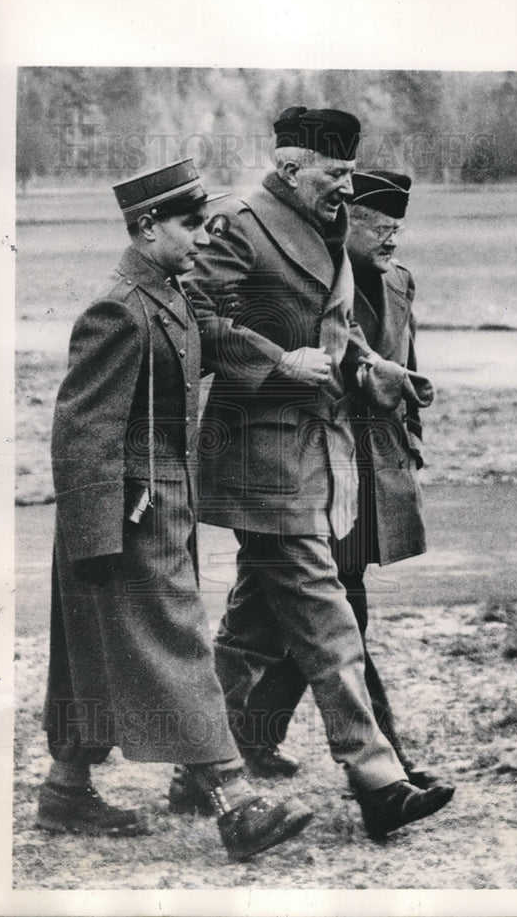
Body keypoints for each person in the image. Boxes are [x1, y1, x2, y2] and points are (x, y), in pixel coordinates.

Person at [176, 107, 454, 839]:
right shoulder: (239, 223)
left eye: (349, 175)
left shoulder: (322, 222)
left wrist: (372, 366)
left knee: (252, 627)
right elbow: (191, 317)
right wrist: (273, 361)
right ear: (292, 168)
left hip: (315, 452)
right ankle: (378, 779)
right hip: (261, 455)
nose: (346, 188)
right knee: (329, 619)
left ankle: (198, 762)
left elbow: (335, 325)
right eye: (334, 175)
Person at [36, 158, 313, 863]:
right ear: (149, 224)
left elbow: (210, 337)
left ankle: (67, 788)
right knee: (180, 647)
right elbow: (80, 427)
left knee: (88, 648)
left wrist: (279, 360)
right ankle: (232, 799)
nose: (202, 237)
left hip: (156, 503)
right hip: (127, 513)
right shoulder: (117, 308)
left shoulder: (167, 292)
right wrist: (96, 540)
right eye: (191, 225)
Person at [227, 170, 454, 793]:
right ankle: (389, 766)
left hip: (373, 470)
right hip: (316, 470)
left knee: (276, 617)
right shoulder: (309, 283)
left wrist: (411, 445)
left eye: (397, 228)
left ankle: (240, 742)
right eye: (380, 227)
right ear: (344, 225)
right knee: (339, 616)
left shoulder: (400, 281)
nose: (392, 240)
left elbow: (406, 369)